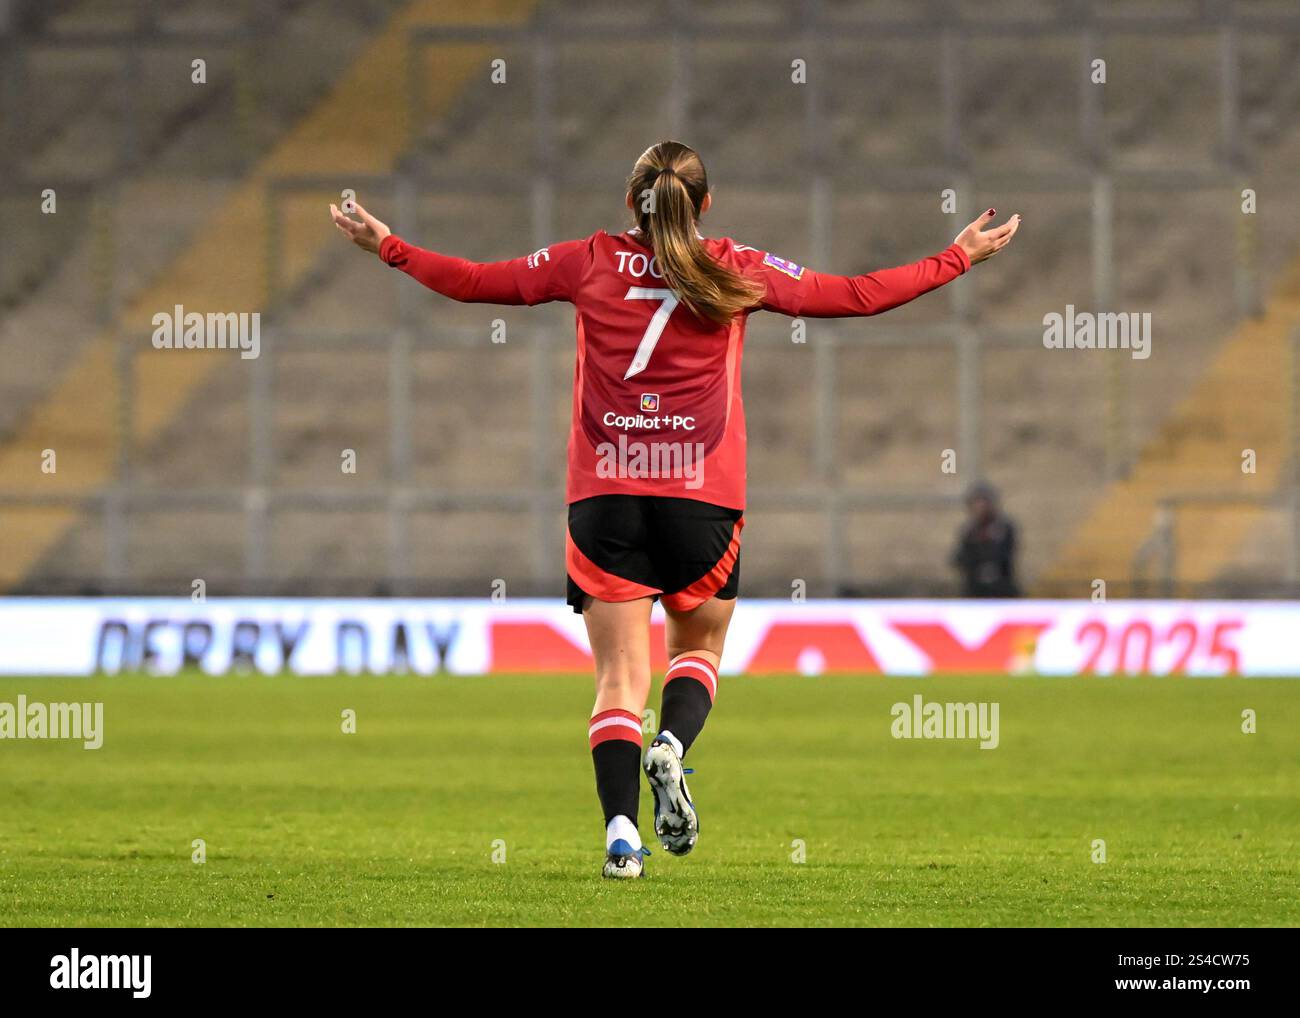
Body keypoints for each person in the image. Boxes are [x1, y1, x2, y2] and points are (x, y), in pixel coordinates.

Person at [330, 141, 1019, 878]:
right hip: (701, 503)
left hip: (606, 498)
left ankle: (622, 836)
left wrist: (389, 246)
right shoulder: (735, 266)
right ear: (705, 206)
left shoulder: (586, 260)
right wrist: (956, 257)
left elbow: (473, 281)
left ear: (631, 203)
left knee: (619, 677)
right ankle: (674, 748)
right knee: (696, 652)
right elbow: (854, 295)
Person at [951, 481, 1021, 597]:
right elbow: (960, 558)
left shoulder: (1003, 528)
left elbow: (1004, 557)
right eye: (977, 502)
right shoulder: (969, 531)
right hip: (974, 590)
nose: (981, 507)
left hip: (1001, 590)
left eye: (984, 502)